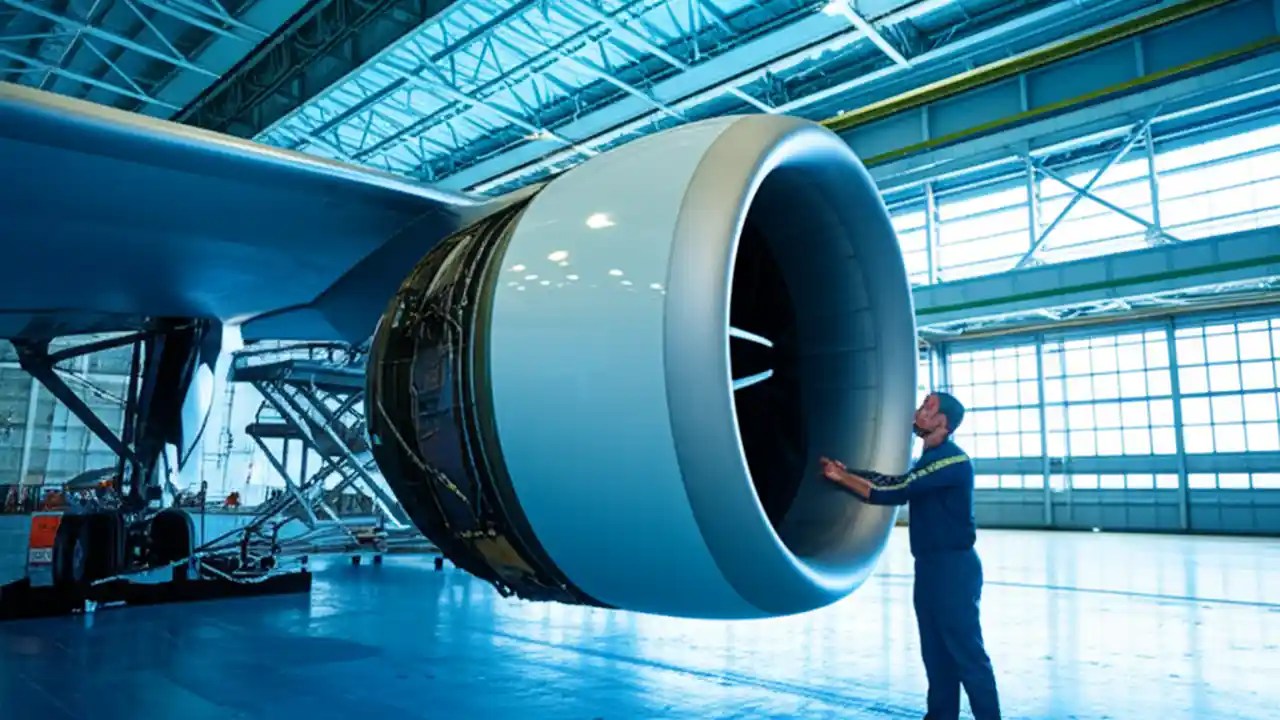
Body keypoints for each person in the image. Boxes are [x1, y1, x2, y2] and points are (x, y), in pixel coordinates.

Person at [819, 391, 1001, 720]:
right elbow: (897, 479)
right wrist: (849, 471)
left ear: (942, 422)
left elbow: (896, 491)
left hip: (954, 570)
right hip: (930, 569)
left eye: (926, 408)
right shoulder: (928, 462)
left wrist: (843, 478)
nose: (918, 411)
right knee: (936, 656)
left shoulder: (952, 461)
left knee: (967, 656)